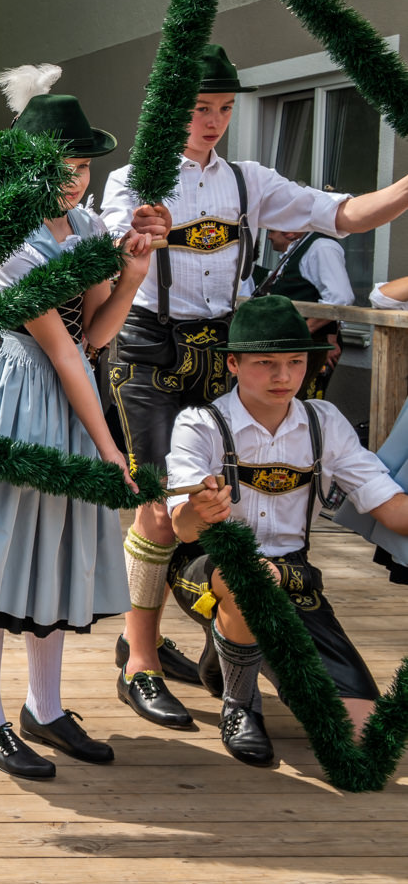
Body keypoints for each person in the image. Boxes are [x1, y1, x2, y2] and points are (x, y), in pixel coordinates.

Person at [101, 43, 408, 731]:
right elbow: (118, 237)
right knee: (158, 502)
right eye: (199, 109)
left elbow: (347, 214)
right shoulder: (132, 178)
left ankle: (228, 634)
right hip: (150, 344)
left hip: (225, 345)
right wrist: (138, 233)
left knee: (221, 494)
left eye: (223, 110)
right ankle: (140, 658)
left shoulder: (248, 180)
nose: (212, 122)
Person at [0, 67, 153, 779]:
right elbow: (61, 348)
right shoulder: (5, 233)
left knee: (56, 548)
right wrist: (108, 446)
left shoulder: (87, 225)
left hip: (70, 389)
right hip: (16, 389)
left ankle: (45, 705)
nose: (72, 181)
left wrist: (132, 274)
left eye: (80, 167)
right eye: (57, 167)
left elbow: (98, 334)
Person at [165, 295, 408, 768]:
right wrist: (202, 508)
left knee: (360, 730)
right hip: (208, 568)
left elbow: (391, 508)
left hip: (295, 577)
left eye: (296, 362)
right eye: (266, 363)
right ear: (233, 363)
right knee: (250, 578)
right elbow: (182, 527)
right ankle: (240, 704)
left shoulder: (325, 422)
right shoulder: (201, 423)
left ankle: (228, 651)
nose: (283, 377)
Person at [254, 228, 352, 398]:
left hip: (311, 342)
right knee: (285, 398)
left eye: (272, 230)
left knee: (302, 401)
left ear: (289, 230)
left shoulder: (322, 247)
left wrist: (306, 331)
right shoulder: (299, 248)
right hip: (297, 341)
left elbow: (339, 298)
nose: (268, 236)